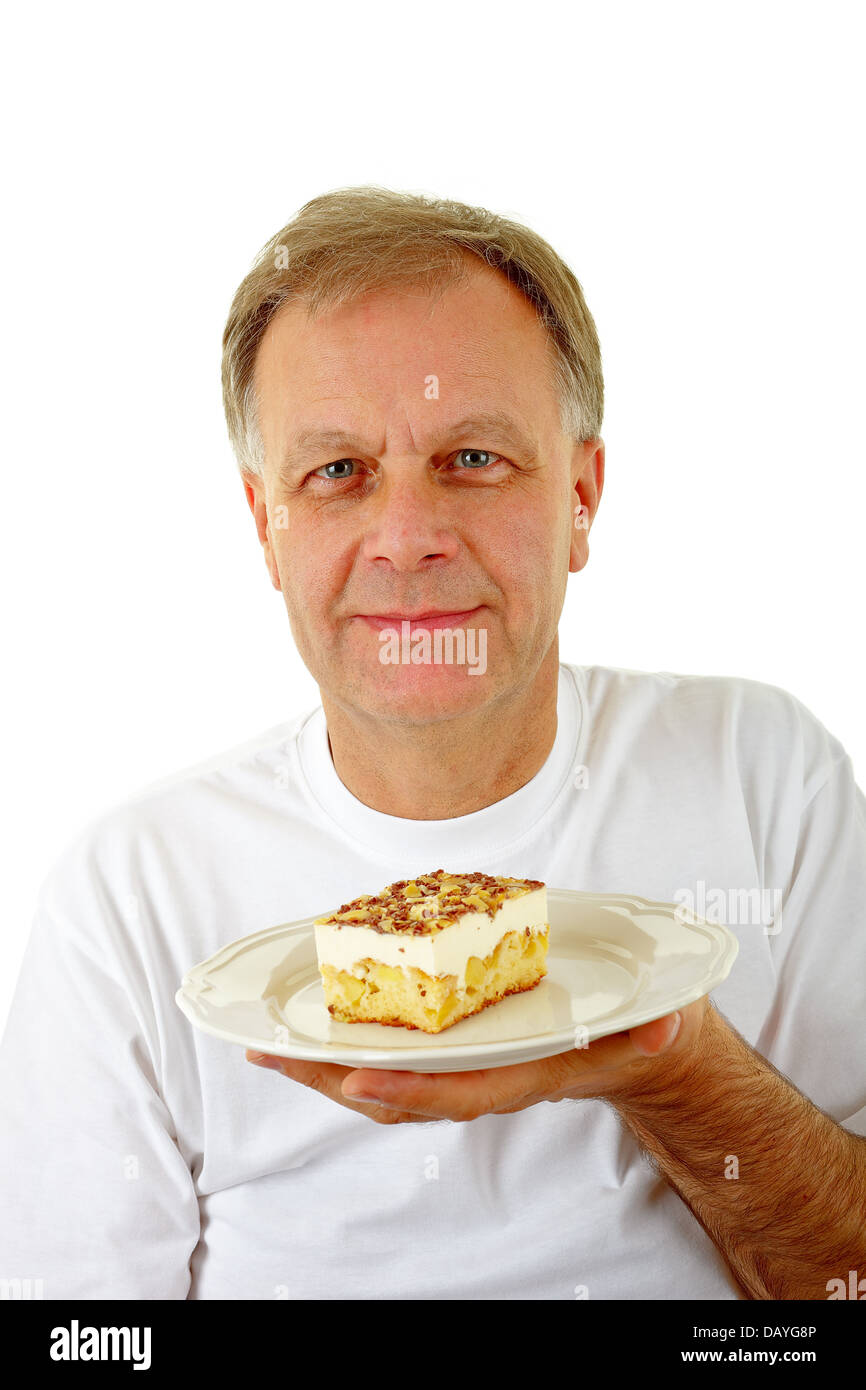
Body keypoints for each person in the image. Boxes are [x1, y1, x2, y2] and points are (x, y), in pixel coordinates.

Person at [1, 187, 864, 1302]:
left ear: (582, 497)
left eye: (470, 458)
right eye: (337, 472)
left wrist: (679, 1068)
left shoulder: (764, 774)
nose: (406, 539)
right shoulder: (128, 895)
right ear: (265, 526)